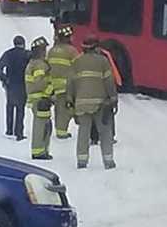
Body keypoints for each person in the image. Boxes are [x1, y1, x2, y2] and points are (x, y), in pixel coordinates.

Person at [68, 36, 117, 169]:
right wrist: (113, 98)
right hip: (100, 103)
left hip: (81, 103)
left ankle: (82, 161)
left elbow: (70, 83)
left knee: (84, 131)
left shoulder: (76, 62)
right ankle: (108, 161)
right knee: (104, 132)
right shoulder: (102, 61)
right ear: (96, 48)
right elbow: (109, 81)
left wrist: (70, 99)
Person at [47, 25, 80, 140]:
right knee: (64, 110)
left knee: (58, 109)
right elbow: (78, 67)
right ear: (67, 37)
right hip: (65, 86)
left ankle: (59, 129)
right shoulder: (72, 51)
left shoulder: (51, 51)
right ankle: (61, 132)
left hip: (52, 87)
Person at [0, 35, 30, 140]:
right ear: (23, 43)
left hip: (10, 84)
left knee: (10, 106)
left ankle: (9, 130)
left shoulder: (8, 54)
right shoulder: (27, 54)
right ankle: (19, 132)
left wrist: (4, 79)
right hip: (22, 84)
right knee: (20, 109)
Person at [25, 37, 53, 160]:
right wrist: (49, 91)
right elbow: (39, 83)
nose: (45, 51)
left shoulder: (33, 63)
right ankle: (39, 152)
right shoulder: (39, 65)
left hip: (38, 98)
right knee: (41, 126)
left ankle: (41, 150)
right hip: (41, 98)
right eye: (44, 49)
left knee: (44, 125)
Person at [91, 45, 122, 146]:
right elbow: (112, 76)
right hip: (104, 91)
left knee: (93, 114)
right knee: (107, 115)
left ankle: (94, 138)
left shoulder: (87, 57)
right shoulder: (106, 56)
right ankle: (109, 137)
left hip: (93, 90)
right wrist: (113, 95)